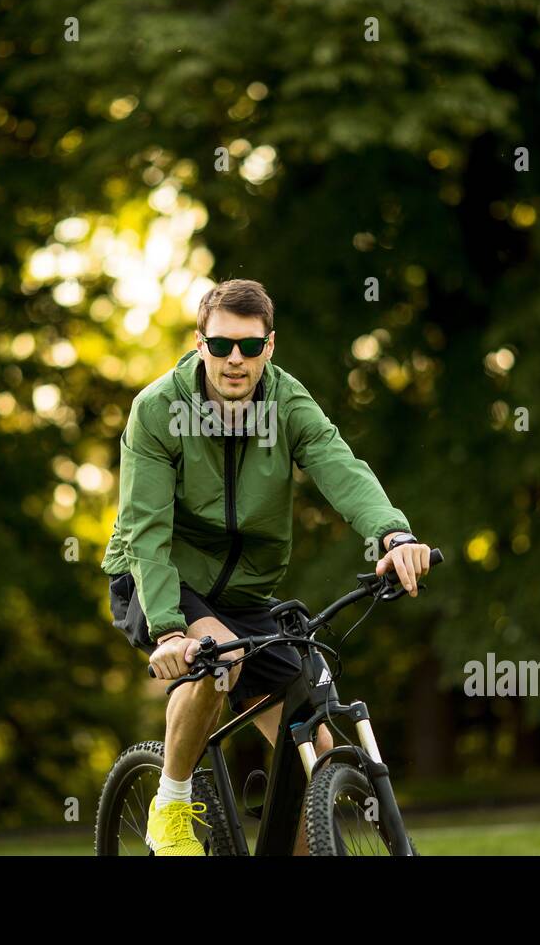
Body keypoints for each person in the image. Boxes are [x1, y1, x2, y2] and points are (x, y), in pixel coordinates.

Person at [101, 279, 433, 855]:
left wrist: (393, 532)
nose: (236, 359)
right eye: (223, 344)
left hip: (244, 597)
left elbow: (338, 464)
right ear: (200, 342)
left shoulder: (287, 403)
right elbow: (146, 532)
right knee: (218, 659)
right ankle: (172, 806)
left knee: (318, 753)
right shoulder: (157, 410)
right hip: (156, 579)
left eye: (250, 347)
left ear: (269, 347)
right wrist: (170, 630)